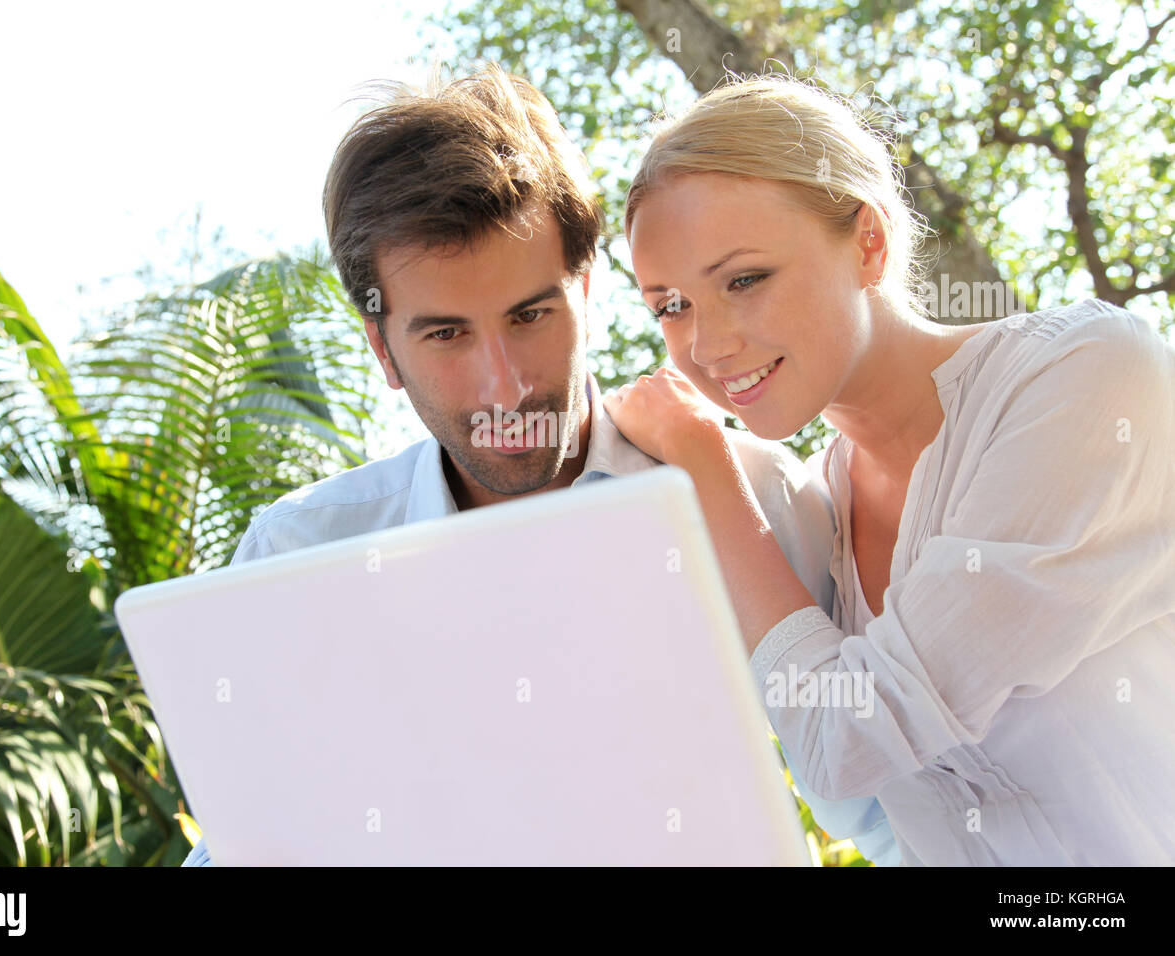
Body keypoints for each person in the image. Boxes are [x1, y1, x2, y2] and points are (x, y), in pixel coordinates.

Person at [181, 65, 880, 866]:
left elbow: (886, 805)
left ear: (587, 292)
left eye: (530, 315)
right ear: (383, 347)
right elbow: (247, 843)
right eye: (446, 335)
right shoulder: (296, 556)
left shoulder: (756, 499)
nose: (504, 387)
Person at [604, 72, 1175, 865]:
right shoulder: (816, 508)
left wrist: (704, 465)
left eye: (744, 280)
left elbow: (847, 737)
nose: (706, 346)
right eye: (671, 306)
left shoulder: (1086, 377)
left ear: (868, 244)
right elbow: (877, 819)